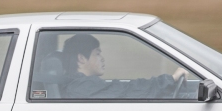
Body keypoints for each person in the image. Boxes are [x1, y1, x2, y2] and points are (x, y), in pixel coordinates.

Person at [61, 33, 189, 99]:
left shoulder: (81, 84)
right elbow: (127, 90)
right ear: (81, 58)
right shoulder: (82, 87)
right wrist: (170, 80)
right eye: (97, 54)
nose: (102, 59)